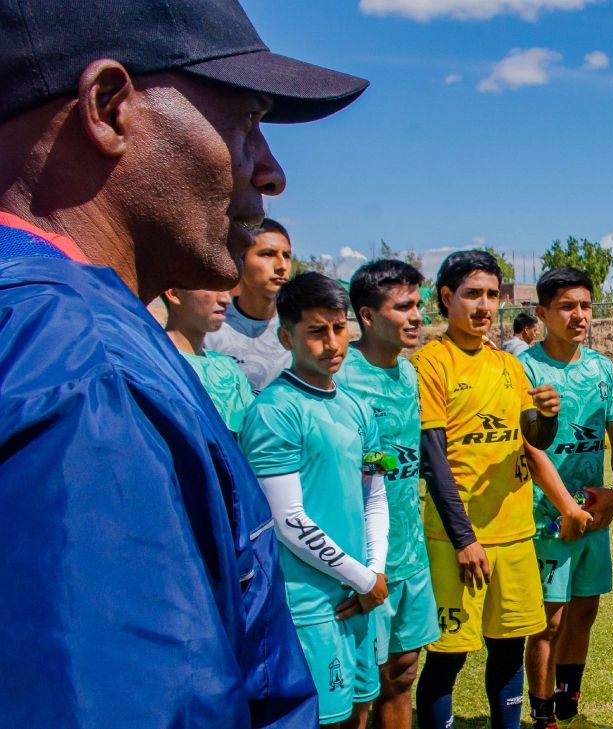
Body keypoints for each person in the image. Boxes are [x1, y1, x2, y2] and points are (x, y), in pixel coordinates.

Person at [0, 0, 367, 725]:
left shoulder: (47, 322)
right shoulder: (86, 373)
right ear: (108, 108)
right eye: (244, 121)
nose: (271, 169)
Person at [411, 250, 594, 729]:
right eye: (473, 294)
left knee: (509, 651)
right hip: (459, 540)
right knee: (449, 657)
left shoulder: (508, 365)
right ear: (446, 297)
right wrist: (463, 538)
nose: (485, 305)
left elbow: (532, 440)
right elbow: (433, 460)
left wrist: (547, 417)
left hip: (515, 535)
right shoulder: (431, 363)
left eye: (493, 294)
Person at [241, 273, 390, 728]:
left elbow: (375, 496)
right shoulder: (274, 410)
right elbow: (287, 522)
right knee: (322, 720)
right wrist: (363, 579)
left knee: (361, 712)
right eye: (316, 331)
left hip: (361, 595)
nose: (332, 343)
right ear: (287, 336)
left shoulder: (357, 407)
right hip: (310, 607)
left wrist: (375, 572)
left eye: (339, 327)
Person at [519, 267, 613, 729]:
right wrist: (564, 504)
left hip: (594, 515)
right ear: (543, 312)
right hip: (546, 516)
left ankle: (568, 697)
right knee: (548, 620)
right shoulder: (524, 368)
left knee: (585, 608)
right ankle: (542, 710)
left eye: (585, 305)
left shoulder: (602, 368)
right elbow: (527, 446)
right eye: (567, 306)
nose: (579, 315)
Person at [334, 259, 440, 729]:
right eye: (404, 307)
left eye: (419, 305)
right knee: (357, 693)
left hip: (409, 556)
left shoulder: (411, 375)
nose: (417, 316)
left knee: (402, 676)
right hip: (358, 562)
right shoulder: (339, 374)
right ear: (368, 315)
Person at [207, 217, 295, 393]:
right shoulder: (211, 328)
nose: (281, 265)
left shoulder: (300, 329)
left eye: (286, 255)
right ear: (240, 259)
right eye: (267, 254)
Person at [162, 287, 255, 435]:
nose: (226, 299)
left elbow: (255, 433)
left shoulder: (228, 367)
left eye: (227, 289)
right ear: (174, 293)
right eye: (212, 287)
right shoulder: (156, 362)